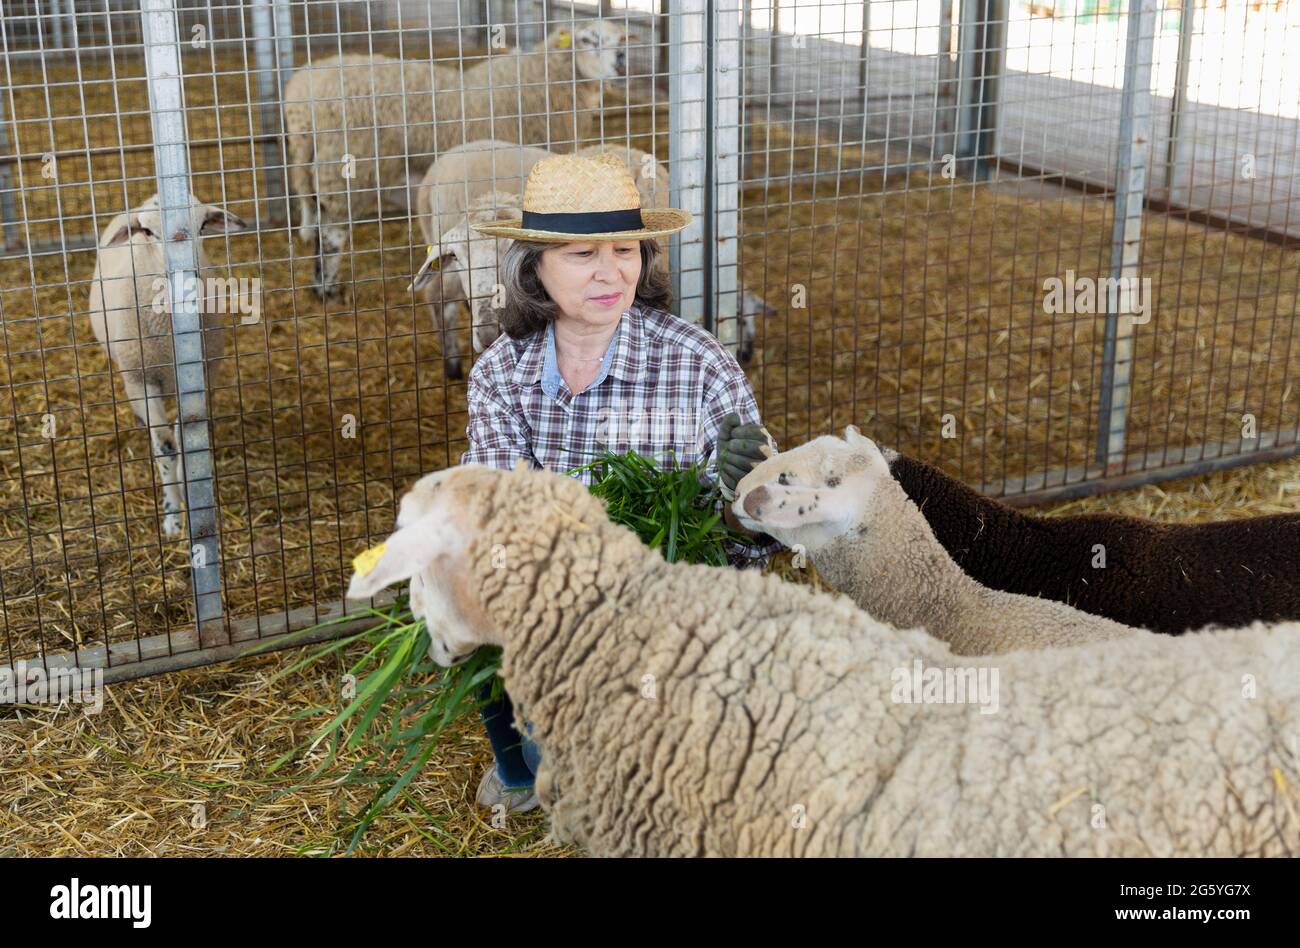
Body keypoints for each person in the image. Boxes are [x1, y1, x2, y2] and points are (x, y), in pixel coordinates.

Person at [459, 151, 778, 813]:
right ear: (534, 268)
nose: (612, 272)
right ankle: (521, 763)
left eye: (626, 249)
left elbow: (753, 552)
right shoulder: (502, 374)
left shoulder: (699, 366)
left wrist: (747, 508)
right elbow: (502, 518)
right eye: (582, 254)